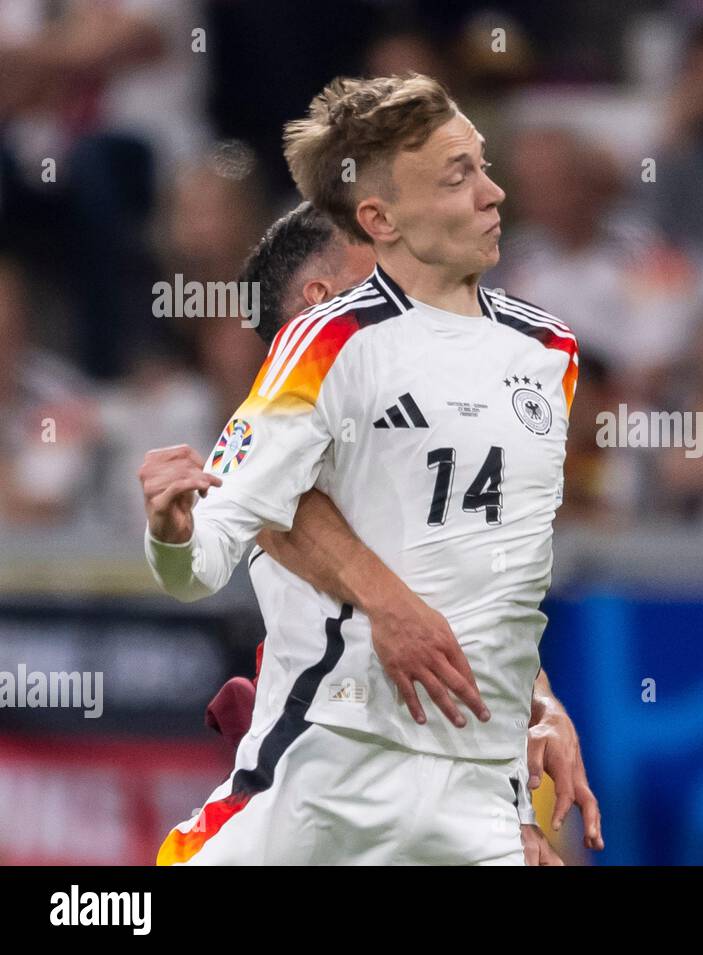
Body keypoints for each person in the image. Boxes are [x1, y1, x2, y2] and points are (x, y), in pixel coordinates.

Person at [139, 73, 589, 865]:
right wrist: (173, 533)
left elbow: (487, 589)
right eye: (460, 175)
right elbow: (251, 532)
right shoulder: (305, 388)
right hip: (323, 774)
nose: (494, 193)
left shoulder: (535, 357)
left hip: (457, 793)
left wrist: (538, 710)